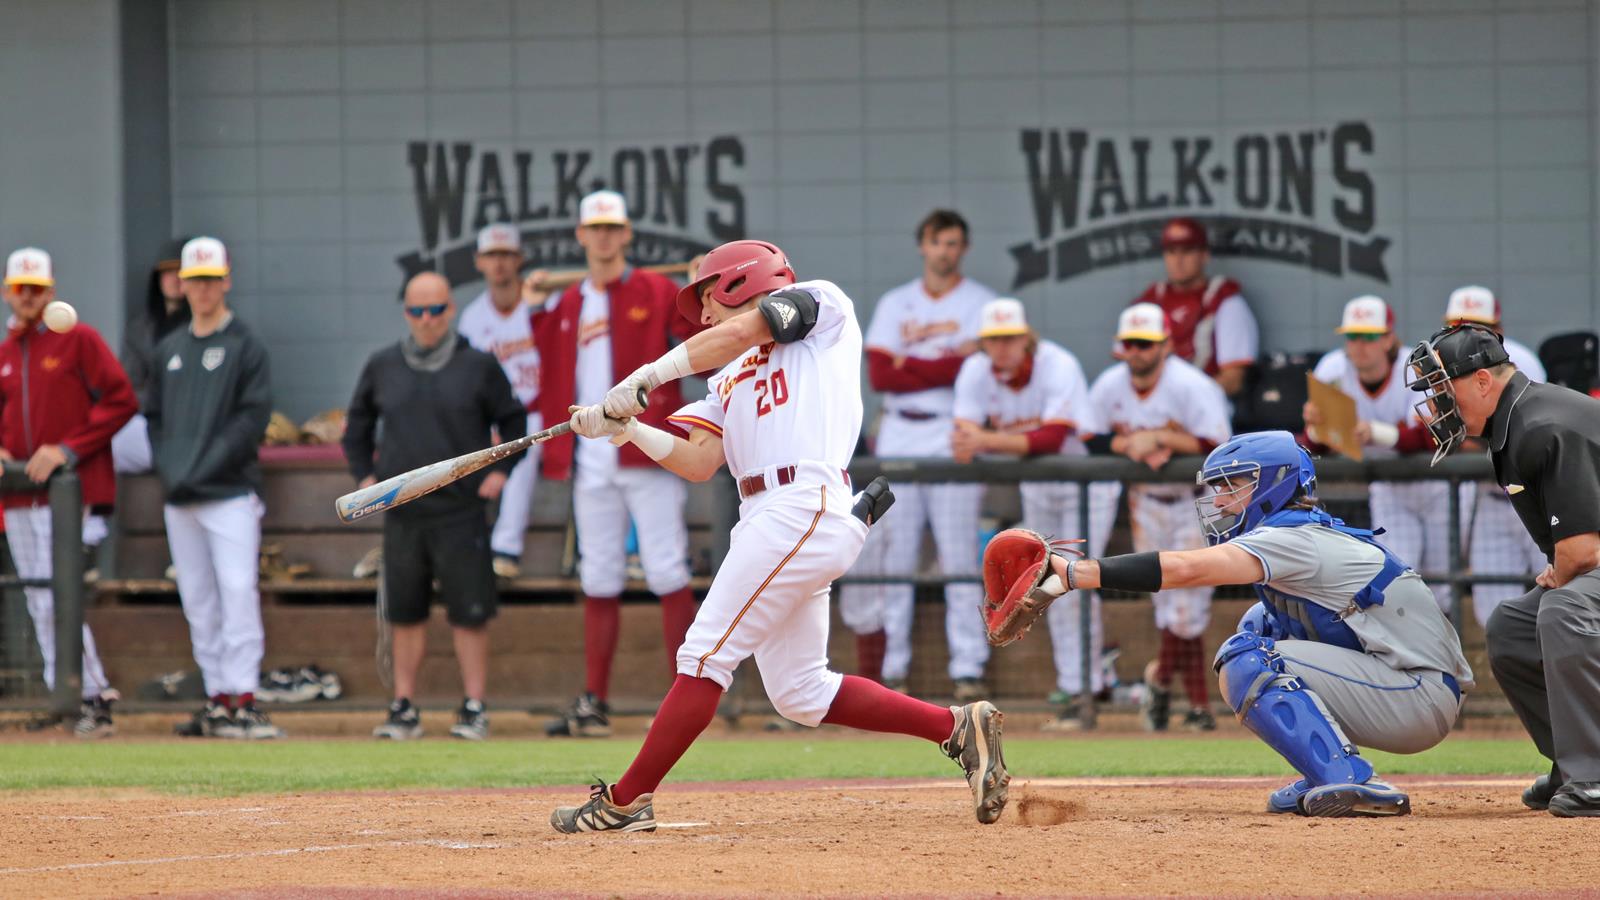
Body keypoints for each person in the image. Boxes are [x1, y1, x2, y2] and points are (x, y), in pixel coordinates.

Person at [550, 238, 1009, 833]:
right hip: (765, 516)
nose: (704, 315)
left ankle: (626, 800)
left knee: (703, 655)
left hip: (803, 503)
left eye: (707, 298)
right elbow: (698, 460)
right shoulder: (729, 375)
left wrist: (647, 375)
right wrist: (626, 430)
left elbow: (743, 332)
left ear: (741, 281)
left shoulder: (821, 303)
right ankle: (955, 727)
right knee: (799, 692)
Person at [1013, 430, 1471, 817]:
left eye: (1235, 485)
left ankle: (1348, 778)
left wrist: (1075, 574)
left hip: (1418, 695)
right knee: (1260, 624)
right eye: (1220, 486)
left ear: (1275, 484)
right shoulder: (1297, 531)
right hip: (1399, 685)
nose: (1221, 499)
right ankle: (1324, 771)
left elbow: (1188, 570)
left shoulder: (1294, 537)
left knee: (1247, 658)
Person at [523, 190, 699, 737]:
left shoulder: (656, 287)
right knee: (599, 575)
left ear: (625, 234)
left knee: (668, 567)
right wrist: (533, 308)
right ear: (581, 234)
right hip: (592, 454)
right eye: (594, 228)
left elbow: (698, 340)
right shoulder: (568, 302)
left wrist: (697, 293)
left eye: (612, 228)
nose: (603, 237)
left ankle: (686, 698)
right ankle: (594, 699)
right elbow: (549, 367)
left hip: (646, 444)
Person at [1409, 323, 1600, 817]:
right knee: (1512, 627)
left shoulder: (1540, 422)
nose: (1436, 405)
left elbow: (1581, 552)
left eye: (1441, 389)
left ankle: (1594, 775)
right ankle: (1573, 762)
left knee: (1564, 608)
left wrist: (1560, 574)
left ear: (1481, 382)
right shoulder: (1514, 419)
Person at [344, 272, 525, 741]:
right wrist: (366, 478)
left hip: (462, 510)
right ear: (406, 312)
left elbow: (514, 423)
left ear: (449, 310)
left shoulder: (479, 366)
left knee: (470, 611)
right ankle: (403, 706)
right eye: (416, 311)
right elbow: (356, 427)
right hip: (404, 512)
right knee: (405, 612)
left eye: (435, 310)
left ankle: (474, 706)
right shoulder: (382, 365)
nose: (426, 320)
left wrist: (499, 473)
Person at [842, 209, 992, 699]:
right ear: (922, 246)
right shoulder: (895, 302)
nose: (945, 251)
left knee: (959, 560)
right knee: (896, 558)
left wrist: (916, 364)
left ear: (963, 249)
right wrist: (951, 361)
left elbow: (975, 372)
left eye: (953, 243)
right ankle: (895, 669)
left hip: (952, 435)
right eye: (937, 242)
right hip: (901, 434)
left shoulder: (982, 303)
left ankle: (968, 668)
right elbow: (883, 376)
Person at [949, 298, 1117, 729]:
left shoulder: (1058, 363)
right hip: (1037, 483)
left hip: (1082, 482)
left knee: (1079, 581)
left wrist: (988, 439)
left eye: (1009, 339)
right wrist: (991, 440)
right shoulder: (976, 371)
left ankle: (1087, 686)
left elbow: (1053, 437)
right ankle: (1076, 685)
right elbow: (962, 439)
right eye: (994, 340)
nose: (1002, 348)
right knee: (1046, 585)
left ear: (1026, 338)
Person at [146, 237, 281, 740]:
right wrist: (171, 465)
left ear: (226, 281)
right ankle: (216, 697)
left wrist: (200, 463)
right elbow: (155, 419)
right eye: (194, 280)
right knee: (197, 599)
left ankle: (243, 696)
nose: (202, 289)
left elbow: (252, 419)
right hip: (181, 496)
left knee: (237, 591)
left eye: (210, 279)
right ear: (182, 285)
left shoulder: (246, 345)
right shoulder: (170, 349)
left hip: (228, 492)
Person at [0, 247, 137, 737]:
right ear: (8, 292)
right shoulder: (6, 355)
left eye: (36, 288)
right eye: (20, 289)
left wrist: (67, 448)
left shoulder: (78, 339)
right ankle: (68, 695)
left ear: (51, 291)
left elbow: (122, 400)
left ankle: (92, 695)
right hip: (18, 497)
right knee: (40, 601)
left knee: (61, 598)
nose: (29, 297)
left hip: (66, 494)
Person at [1081, 302, 1231, 731]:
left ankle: (1164, 683)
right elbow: (1089, 436)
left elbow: (1219, 445)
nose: (1138, 351)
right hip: (1146, 501)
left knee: (1187, 609)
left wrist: (1164, 438)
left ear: (1165, 345)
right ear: (1120, 348)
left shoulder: (1191, 385)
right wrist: (1128, 445)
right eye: (1131, 343)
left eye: (1146, 343)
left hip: (1194, 501)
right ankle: (1195, 706)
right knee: (1167, 607)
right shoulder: (1110, 385)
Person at [1303, 296, 1453, 612]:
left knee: (1443, 588)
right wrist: (1316, 429)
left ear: (1388, 339)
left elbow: (1431, 435)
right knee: (1399, 579)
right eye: (1352, 336)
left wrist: (1376, 432)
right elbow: (1317, 442)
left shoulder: (1415, 368)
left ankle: (1448, 655)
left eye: (1369, 336)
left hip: (1436, 484)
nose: (1360, 345)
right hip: (1388, 487)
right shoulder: (1333, 368)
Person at [1441, 287, 1548, 628]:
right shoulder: (1438, 362)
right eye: (1459, 324)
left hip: (1537, 496)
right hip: (1490, 498)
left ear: (1498, 326)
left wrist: (1464, 438)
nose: (1467, 332)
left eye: (1478, 325)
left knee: (1564, 595)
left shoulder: (1520, 360)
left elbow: (1525, 433)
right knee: (1493, 613)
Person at [459, 223, 541, 579]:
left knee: (525, 444)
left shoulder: (541, 305)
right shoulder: (472, 319)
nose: (500, 263)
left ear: (519, 259)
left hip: (539, 412)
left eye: (506, 255)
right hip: (493, 418)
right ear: (479, 261)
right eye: (492, 255)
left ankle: (506, 548)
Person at [1131, 217, 1259, 398]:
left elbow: (1233, 380)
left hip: (1204, 408)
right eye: (1171, 252)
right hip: (1152, 405)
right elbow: (1129, 369)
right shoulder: (1150, 302)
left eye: (1187, 251)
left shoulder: (1225, 301)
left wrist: (1184, 401)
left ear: (1204, 255)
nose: (1178, 260)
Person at [113, 237, 191, 474]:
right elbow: (128, 386)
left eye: (181, 272)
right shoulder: (141, 328)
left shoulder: (204, 326)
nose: (175, 279)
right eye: (168, 272)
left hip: (191, 426)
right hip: (147, 422)